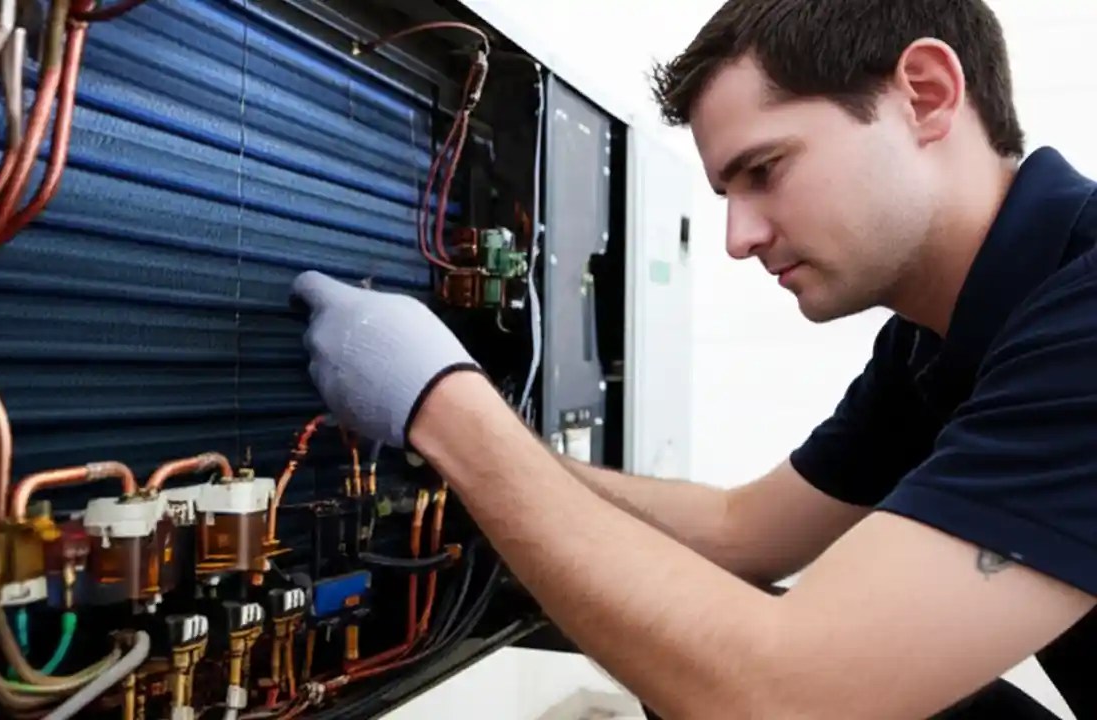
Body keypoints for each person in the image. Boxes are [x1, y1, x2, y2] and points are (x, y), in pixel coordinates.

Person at [291, 0, 1097, 716]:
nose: (738, 239)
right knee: (691, 625)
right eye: (725, 194)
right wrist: (489, 452)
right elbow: (740, 532)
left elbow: (785, 699)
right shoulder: (935, 342)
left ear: (924, 93)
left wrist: (441, 404)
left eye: (765, 170)